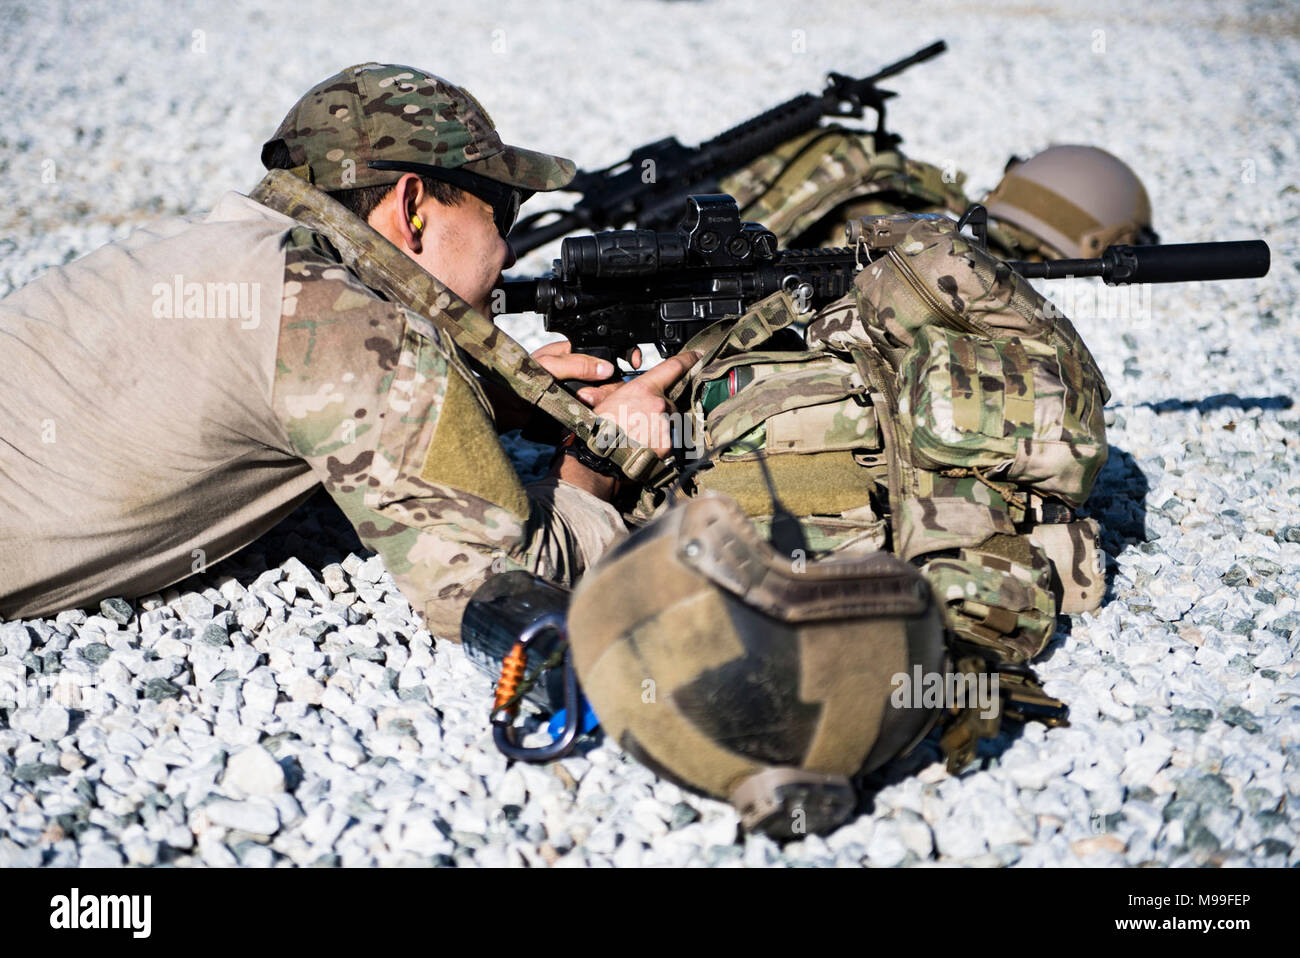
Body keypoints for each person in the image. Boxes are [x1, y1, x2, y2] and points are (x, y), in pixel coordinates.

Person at [0, 62, 696, 637]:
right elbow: (494, 588)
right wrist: (599, 458)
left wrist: (481, 399)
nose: (508, 250)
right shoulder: (342, 321)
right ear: (413, 207)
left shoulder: (217, 247)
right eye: (501, 212)